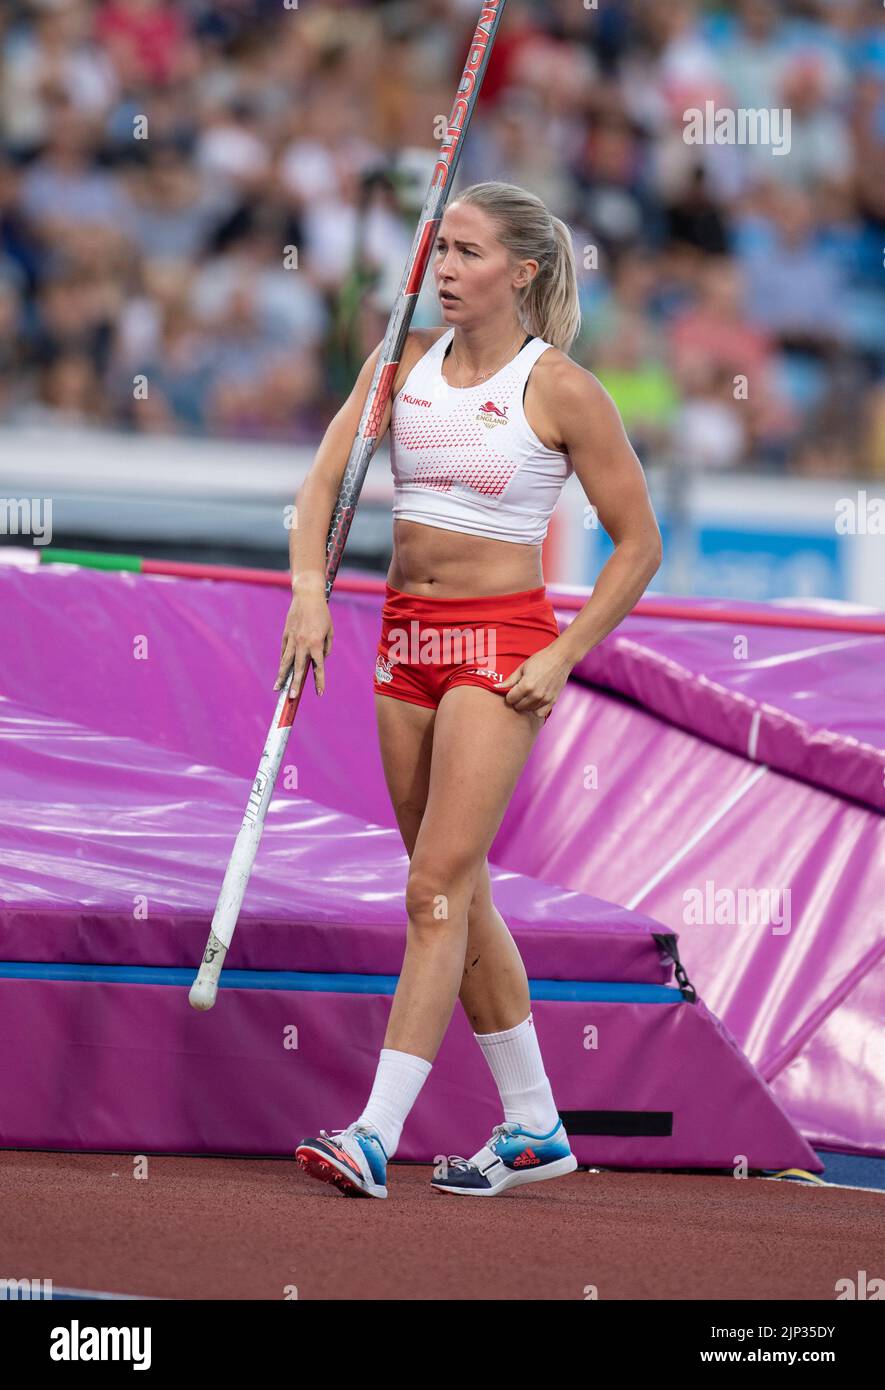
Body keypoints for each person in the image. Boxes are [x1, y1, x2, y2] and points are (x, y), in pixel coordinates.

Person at [275, 181, 662, 1199]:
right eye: (439, 248)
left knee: (433, 889)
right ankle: (534, 1123)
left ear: (520, 273)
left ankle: (374, 1131)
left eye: (468, 252)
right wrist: (311, 595)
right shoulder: (399, 365)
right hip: (405, 640)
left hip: (501, 650)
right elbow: (316, 489)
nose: (443, 267)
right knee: (456, 884)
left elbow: (640, 543)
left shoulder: (561, 389)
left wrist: (565, 650)